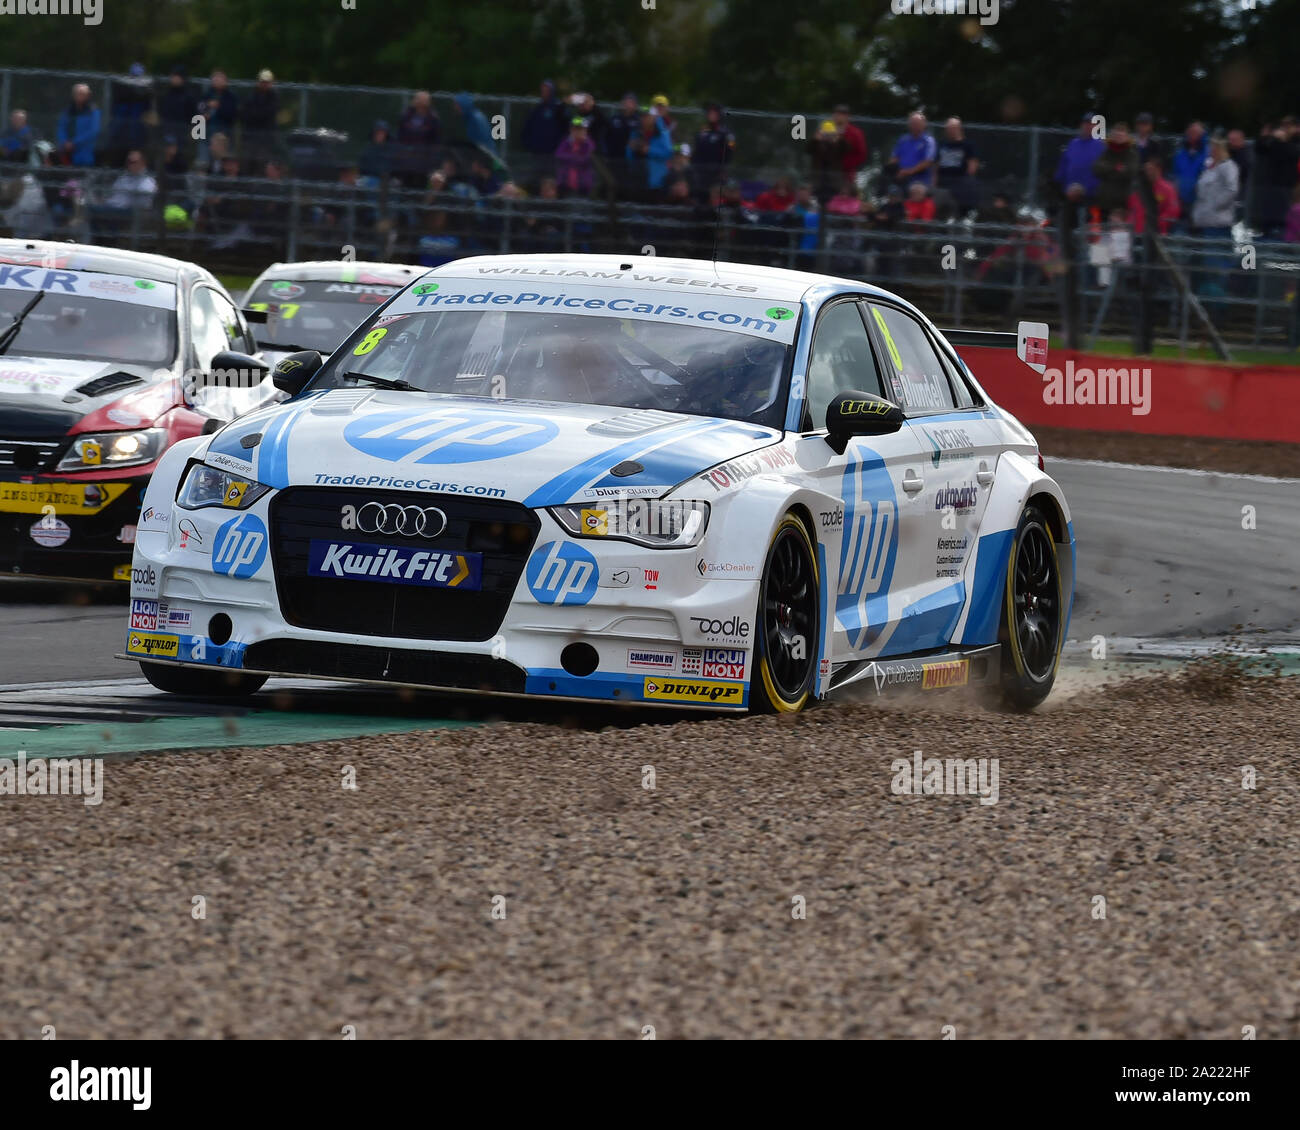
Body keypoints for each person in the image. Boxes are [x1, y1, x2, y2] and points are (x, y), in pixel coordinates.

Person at [1190, 134, 1239, 297]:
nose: (1211, 150)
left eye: (1214, 147)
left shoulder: (1228, 166)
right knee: (1206, 265)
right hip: (1204, 223)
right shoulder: (1208, 166)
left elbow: (1231, 190)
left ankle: (1219, 303)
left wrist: (1216, 205)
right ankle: (1209, 299)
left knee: (1216, 266)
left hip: (1218, 224)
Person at [1254, 119, 1300, 239]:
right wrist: (1265, 136)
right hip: (1270, 190)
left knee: (1283, 225)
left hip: (1287, 190)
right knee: (1268, 226)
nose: (1284, 129)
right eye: (1283, 126)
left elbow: (1291, 153)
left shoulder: (1294, 143)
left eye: (1288, 126)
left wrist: (1282, 141)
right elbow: (1260, 148)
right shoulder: (1275, 142)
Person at [1054, 112, 1105, 206]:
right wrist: (1065, 188)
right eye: (1086, 123)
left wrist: (1085, 189)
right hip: (1070, 195)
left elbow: (1102, 172)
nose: (1088, 126)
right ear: (1081, 125)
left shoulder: (1101, 146)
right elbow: (1063, 168)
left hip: (1091, 196)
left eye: (1092, 124)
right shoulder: (1073, 143)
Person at [1091, 120, 1137, 220]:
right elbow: (1096, 169)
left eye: (1122, 132)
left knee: (1120, 234)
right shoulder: (1106, 152)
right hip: (1104, 204)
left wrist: (1108, 171)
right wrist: (1115, 168)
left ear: (1127, 136)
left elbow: (1131, 171)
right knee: (1102, 233)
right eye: (1116, 132)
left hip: (1122, 205)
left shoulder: (1131, 154)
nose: (1119, 134)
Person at [626, 107, 673, 201]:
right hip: (637, 180)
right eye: (642, 116)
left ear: (654, 117)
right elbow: (628, 156)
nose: (644, 119)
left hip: (656, 182)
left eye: (647, 116)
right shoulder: (635, 132)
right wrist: (630, 148)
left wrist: (649, 150)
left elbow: (668, 153)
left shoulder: (663, 134)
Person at [395, 90, 440, 189]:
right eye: (417, 100)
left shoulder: (432, 119)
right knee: (405, 188)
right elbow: (400, 137)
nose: (418, 102)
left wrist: (432, 163)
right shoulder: (407, 115)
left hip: (422, 162)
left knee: (419, 189)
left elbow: (435, 142)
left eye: (422, 101)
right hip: (406, 160)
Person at [935, 116, 979, 216]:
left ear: (959, 129)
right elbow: (935, 166)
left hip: (960, 180)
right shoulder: (941, 145)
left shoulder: (968, 145)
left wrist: (965, 180)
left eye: (952, 128)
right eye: (948, 128)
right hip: (943, 180)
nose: (949, 131)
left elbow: (972, 166)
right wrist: (934, 182)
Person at [690, 102, 735, 200]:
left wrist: (723, 169)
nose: (711, 115)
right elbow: (696, 150)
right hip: (701, 172)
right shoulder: (703, 132)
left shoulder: (726, 133)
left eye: (714, 112)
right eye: (709, 112)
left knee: (715, 196)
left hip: (717, 172)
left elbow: (729, 152)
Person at [240, 69, 281, 171]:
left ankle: (260, 186)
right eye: (262, 82)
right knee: (246, 163)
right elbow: (244, 114)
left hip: (266, 138)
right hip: (250, 136)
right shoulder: (251, 96)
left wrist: (255, 114)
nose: (264, 84)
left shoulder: (274, 97)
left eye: (267, 82)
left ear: (271, 83)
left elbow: (267, 114)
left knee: (262, 164)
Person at [1128, 156, 1179, 236]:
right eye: (1146, 169)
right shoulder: (1138, 188)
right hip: (1135, 233)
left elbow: (1173, 211)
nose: (1147, 172)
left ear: (1158, 169)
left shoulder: (1168, 189)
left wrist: (1159, 222)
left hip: (1156, 234)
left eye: (1150, 169)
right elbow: (1132, 208)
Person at [521, 80, 568, 164]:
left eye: (546, 90)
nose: (544, 92)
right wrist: (529, 144)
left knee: (551, 175)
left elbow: (566, 127)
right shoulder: (538, 109)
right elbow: (528, 127)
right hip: (538, 152)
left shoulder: (558, 108)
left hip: (553, 153)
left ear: (551, 92)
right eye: (542, 90)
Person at [1171, 121, 1207, 222]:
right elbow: (1175, 175)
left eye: (1196, 132)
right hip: (1180, 200)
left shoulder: (1208, 154)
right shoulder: (1179, 154)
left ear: (1202, 134)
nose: (1193, 135)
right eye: (1191, 132)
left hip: (1200, 202)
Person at [890, 111, 936, 191]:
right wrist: (895, 171)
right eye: (912, 123)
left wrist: (908, 172)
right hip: (901, 179)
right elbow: (894, 158)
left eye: (917, 123)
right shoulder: (903, 139)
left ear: (924, 124)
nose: (914, 126)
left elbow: (928, 161)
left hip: (920, 182)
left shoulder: (928, 141)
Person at [57, 83, 100, 167]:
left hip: (86, 154)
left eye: (83, 94)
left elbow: (93, 131)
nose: (80, 96)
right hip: (67, 153)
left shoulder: (93, 111)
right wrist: (64, 142)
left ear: (88, 95)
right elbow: (61, 128)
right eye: (78, 93)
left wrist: (74, 143)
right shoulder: (67, 111)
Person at [554, 117, 595, 197]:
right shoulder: (566, 142)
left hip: (583, 184)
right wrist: (576, 157)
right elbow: (558, 155)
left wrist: (570, 158)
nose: (578, 132)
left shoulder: (589, 144)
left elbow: (587, 159)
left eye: (581, 129)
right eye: (575, 129)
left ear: (585, 131)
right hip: (565, 182)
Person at [833, 104, 868, 190]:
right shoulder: (828, 130)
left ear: (847, 117)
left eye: (842, 114)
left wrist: (847, 164)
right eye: (836, 114)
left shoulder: (855, 133)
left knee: (847, 197)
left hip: (847, 174)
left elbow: (862, 154)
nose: (838, 116)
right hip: (828, 173)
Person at [453, 92, 496, 157]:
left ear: (463, 104)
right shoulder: (471, 117)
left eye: (456, 104)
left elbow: (482, 143)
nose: (455, 107)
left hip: (486, 157)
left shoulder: (475, 119)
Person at [358, 121, 393, 187]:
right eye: (378, 133)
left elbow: (394, 168)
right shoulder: (367, 150)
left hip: (387, 182)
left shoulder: (391, 150)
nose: (380, 135)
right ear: (373, 134)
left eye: (382, 133)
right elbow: (362, 169)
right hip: (369, 180)